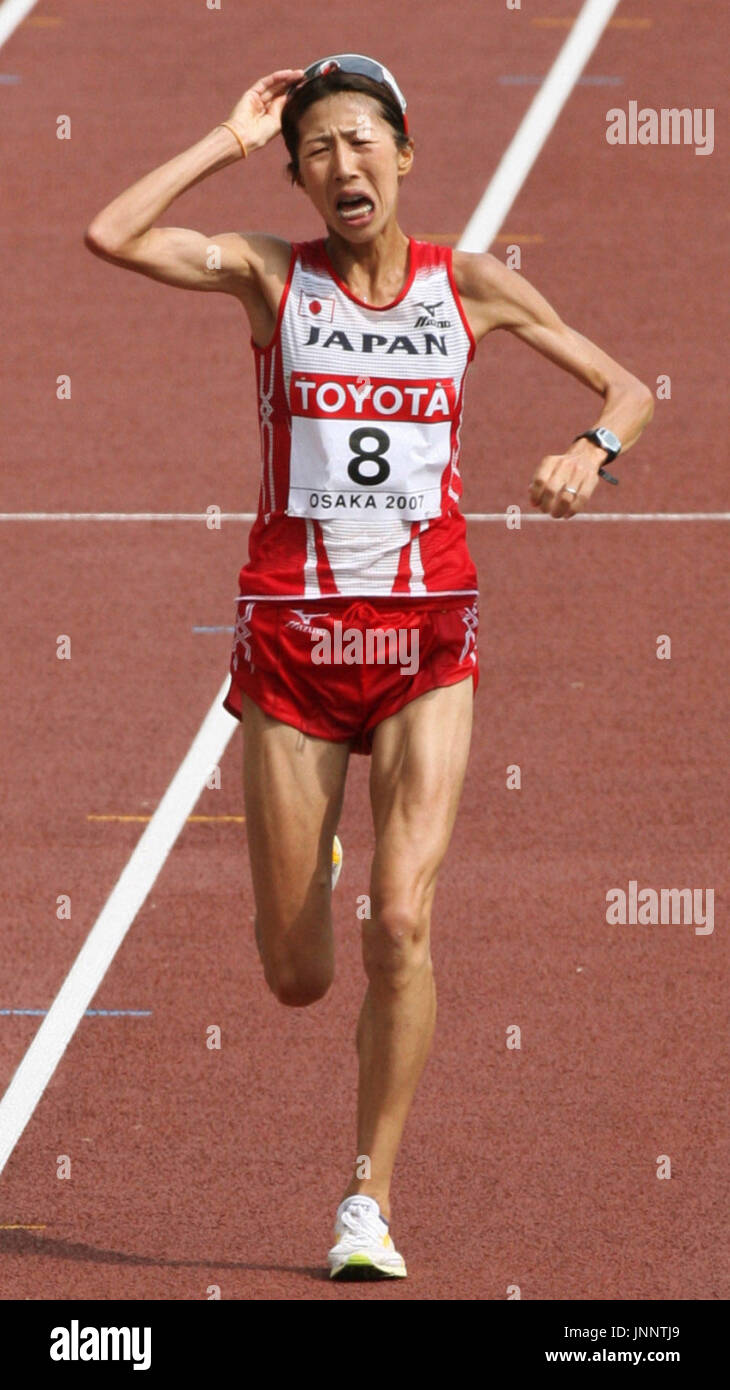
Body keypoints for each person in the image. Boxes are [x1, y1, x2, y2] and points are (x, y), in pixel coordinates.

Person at [85, 54, 654, 1281]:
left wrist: (589, 447)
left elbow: (628, 383)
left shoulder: (474, 287)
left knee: (403, 920)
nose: (342, 164)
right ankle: (314, 848)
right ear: (297, 173)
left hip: (425, 643)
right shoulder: (268, 277)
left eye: (361, 140)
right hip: (294, 647)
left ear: (403, 152)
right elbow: (110, 232)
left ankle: (365, 1200)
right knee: (297, 977)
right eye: (317, 148)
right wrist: (226, 136)